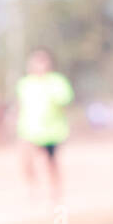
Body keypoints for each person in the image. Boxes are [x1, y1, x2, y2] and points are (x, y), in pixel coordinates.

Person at [15, 47, 74, 200]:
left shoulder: (57, 82)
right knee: (25, 159)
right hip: (29, 129)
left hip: (52, 131)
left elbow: (65, 101)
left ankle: (56, 192)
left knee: (51, 164)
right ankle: (31, 188)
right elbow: (20, 105)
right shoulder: (25, 84)